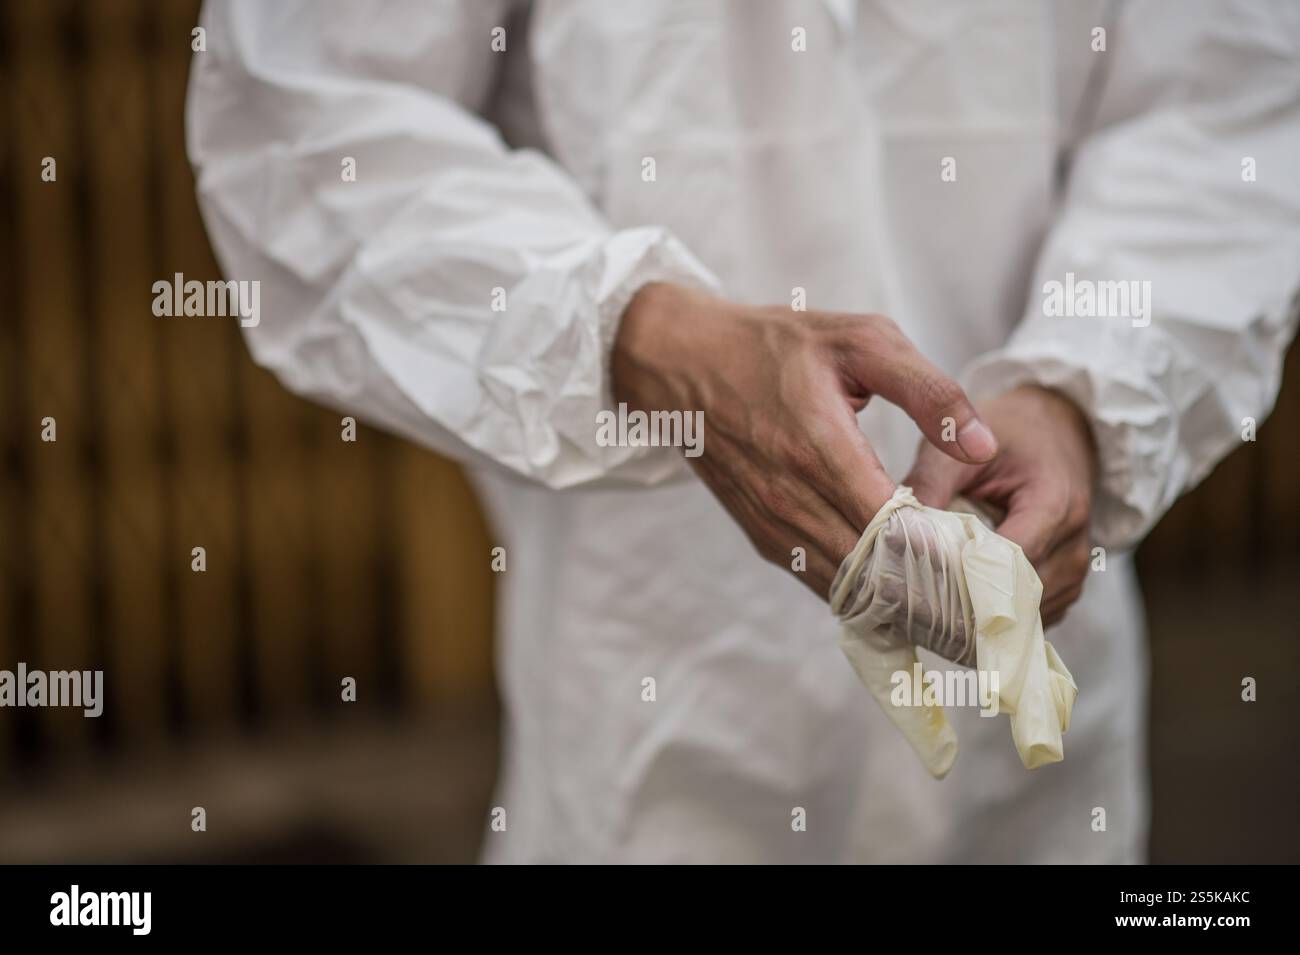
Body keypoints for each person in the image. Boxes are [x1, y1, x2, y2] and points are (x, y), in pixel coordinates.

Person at [187, 0, 1300, 862]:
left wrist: (1088, 393)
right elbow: (307, 106)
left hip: (1043, 723)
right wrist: (634, 330)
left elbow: (1228, 106)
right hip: (650, 711)